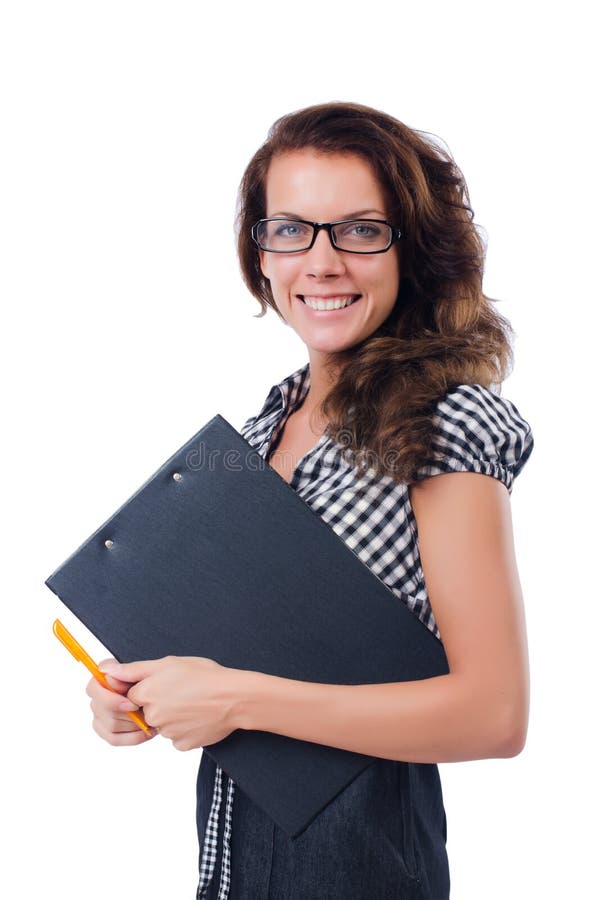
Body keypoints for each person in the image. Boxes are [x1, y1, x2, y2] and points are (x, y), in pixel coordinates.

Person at [87, 101, 535, 899]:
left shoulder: (442, 420)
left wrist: (236, 700)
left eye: (360, 230)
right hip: (230, 866)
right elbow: (242, 655)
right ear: (260, 252)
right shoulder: (264, 426)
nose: (322, 263)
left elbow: (494, 713)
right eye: (290, 229)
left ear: (411, 249)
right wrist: (143, 697)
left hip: (361, 869)